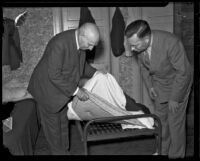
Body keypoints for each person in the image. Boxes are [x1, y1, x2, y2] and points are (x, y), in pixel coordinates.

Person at [27, 23, 104, 155]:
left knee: (63, 124)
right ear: (82, 35)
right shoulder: (59, 43)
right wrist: (77, 91)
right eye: (90, 44)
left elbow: (81, 66)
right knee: (54, 133)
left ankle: (65, 151)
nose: (91, 49)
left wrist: (97, 73)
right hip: (47, 91)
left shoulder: (80, 43)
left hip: (61, 90)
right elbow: (54, 74)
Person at [124, 20, 193, 158]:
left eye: (134, 45)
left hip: (178, 84)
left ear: (147, 39)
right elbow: (144, 68)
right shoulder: (140, 47)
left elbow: (183, 73)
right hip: (160, 84)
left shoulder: (171, 42)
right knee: (161, 121)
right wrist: (150, 86)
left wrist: (175, 98)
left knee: (175, 124)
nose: (132, 49)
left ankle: (176, 155)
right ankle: (162, 151)